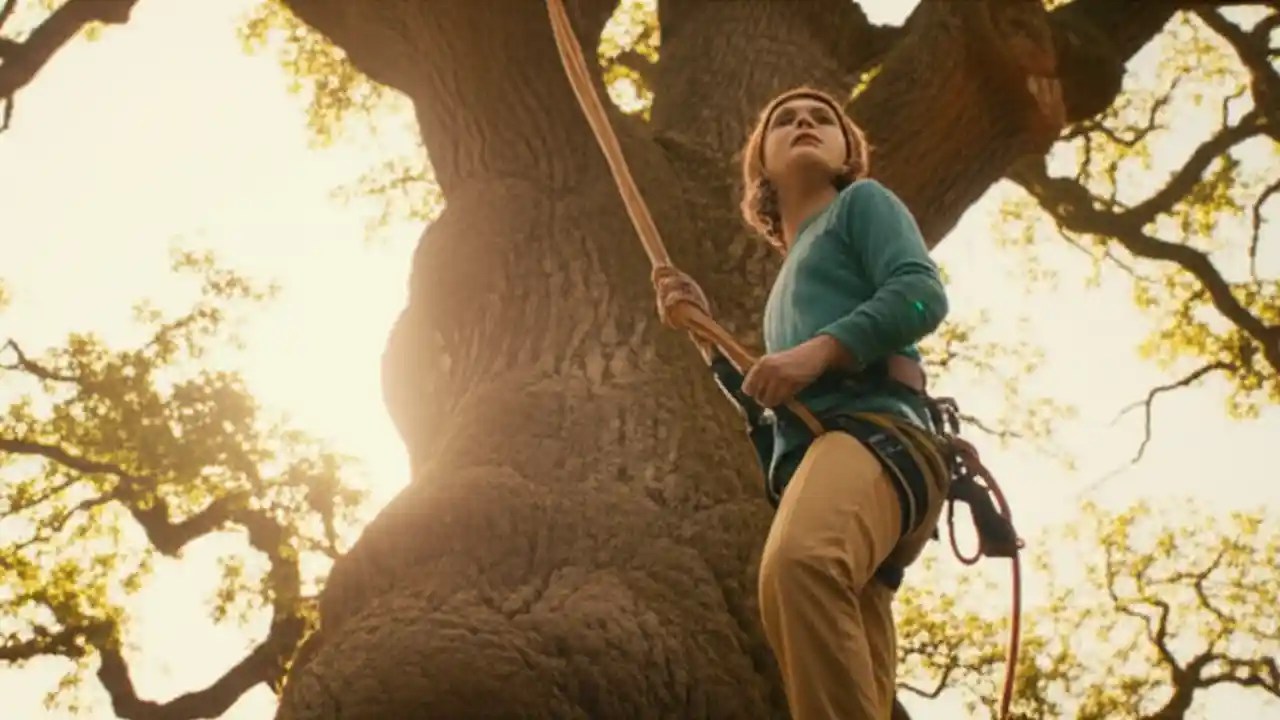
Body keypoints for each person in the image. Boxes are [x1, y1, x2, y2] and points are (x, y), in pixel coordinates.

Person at [655, 86, 952, 720]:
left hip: (878, 440)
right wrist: (706, 338)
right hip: (828, 463)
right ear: (759, 162)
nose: (805, 122)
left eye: (823, 118)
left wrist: (817, 353)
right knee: (859, 679)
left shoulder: (862, 206)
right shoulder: (784, 292)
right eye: (784, 121)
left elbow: (921, 293)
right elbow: (774, 414)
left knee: (797, 567)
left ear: (850, 153)